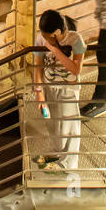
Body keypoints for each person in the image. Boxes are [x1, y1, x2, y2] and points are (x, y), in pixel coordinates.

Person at [33, 9, 86, 172]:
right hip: (49, 87)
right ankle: (57, 157)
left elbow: (76, 69)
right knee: (53, 124)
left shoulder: (75, 40)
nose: (44, 38)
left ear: (56, 32)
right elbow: (38, 66)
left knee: (69, 127)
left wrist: (56, 50)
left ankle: (68, 164)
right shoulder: (41, 39)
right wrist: (39, 93)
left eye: (47, 36)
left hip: (67, 90)